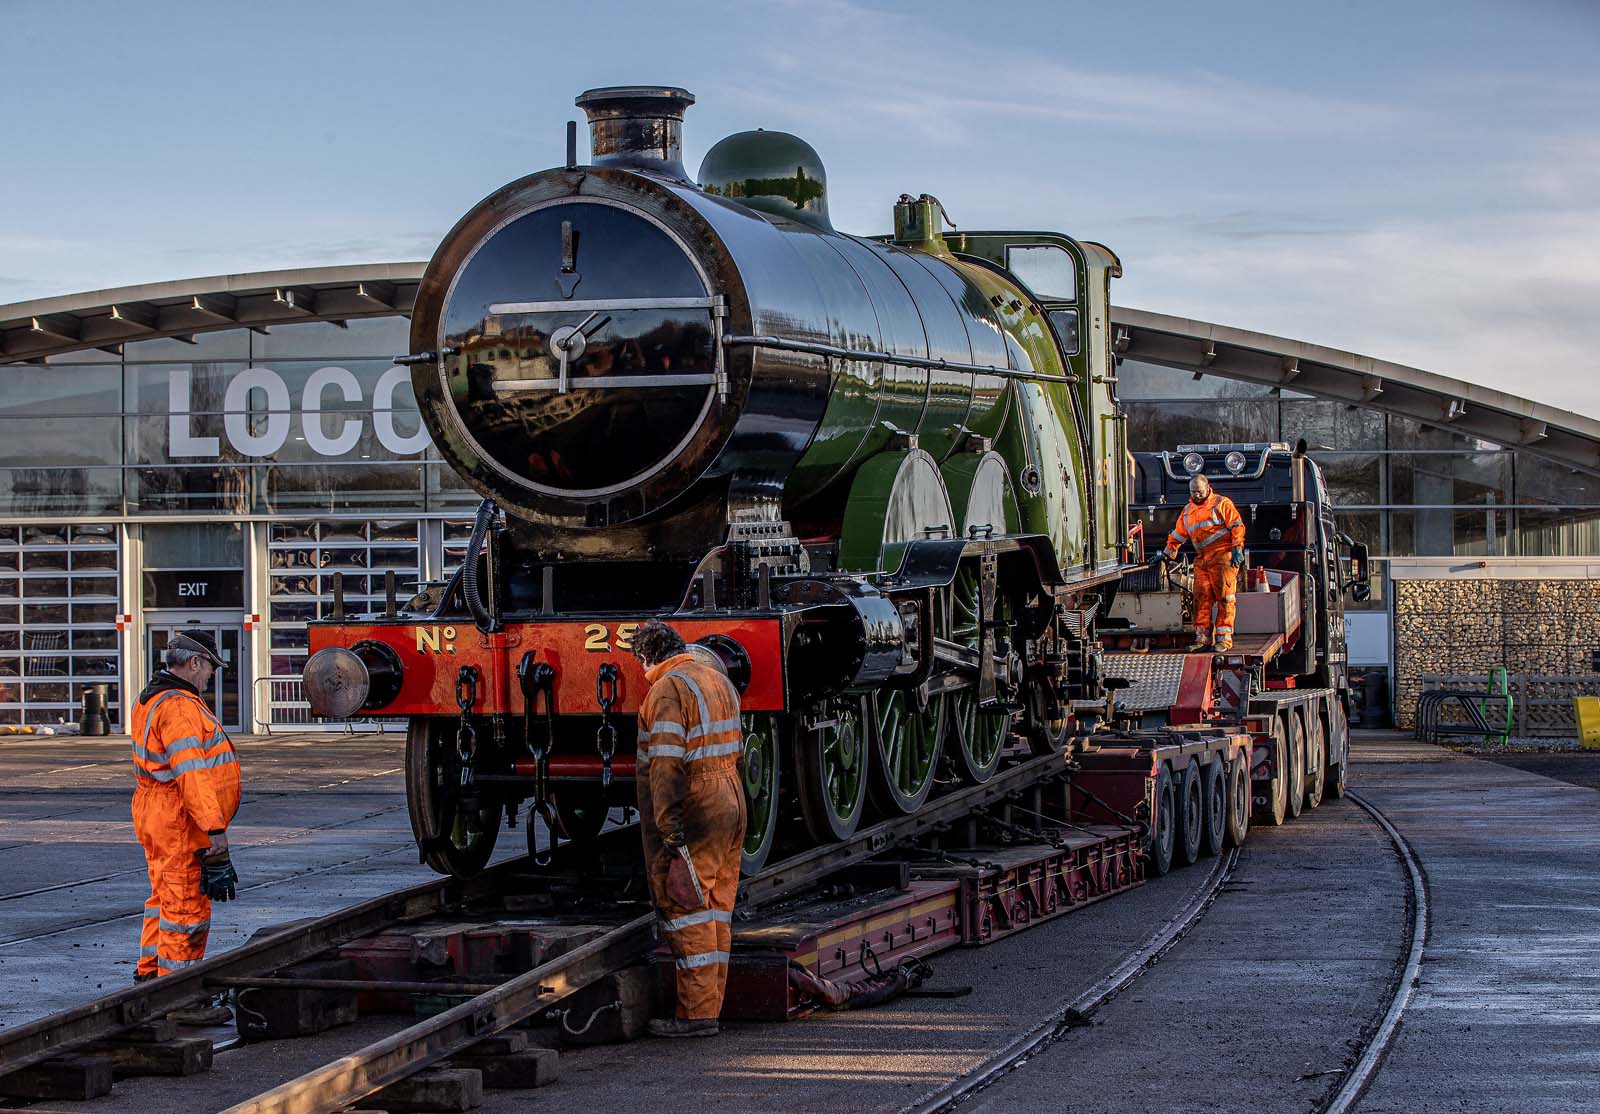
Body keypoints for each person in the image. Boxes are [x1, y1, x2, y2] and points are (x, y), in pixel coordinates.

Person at [630, 621, 747, 1038]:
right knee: (716, 907)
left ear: (647, 657)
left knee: (685, 906)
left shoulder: (667, 690)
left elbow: (666, 767)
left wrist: (670, 831)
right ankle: (711, 1005)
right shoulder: (717, 679)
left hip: (697, 804)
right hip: (731, 798)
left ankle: (696, 1016)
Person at [131, 631, 241, 1009]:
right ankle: (180, 999)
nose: (211, 675)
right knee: (185, 907)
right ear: (194, 662)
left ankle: (150, 976)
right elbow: (192, 773)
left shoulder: (151, 698)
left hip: (156, 812)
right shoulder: (178, 707)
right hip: (180, 818)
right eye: (210, 667)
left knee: (164, 898)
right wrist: (215, 829)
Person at [1151, 474, 1247, 652]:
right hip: (1203, 559)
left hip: (1223, 557)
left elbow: (1237, 526)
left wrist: (1237, 548)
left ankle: (1224, 640)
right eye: (1193, 492)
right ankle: (1202, 640)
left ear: (1208, 487)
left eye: (1200, 491)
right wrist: (1166, 554)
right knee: (1201, 599)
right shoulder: (1188, 511)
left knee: (1225, 599)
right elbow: (1178, 535)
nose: (1196, 495)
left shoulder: (1221, 503)